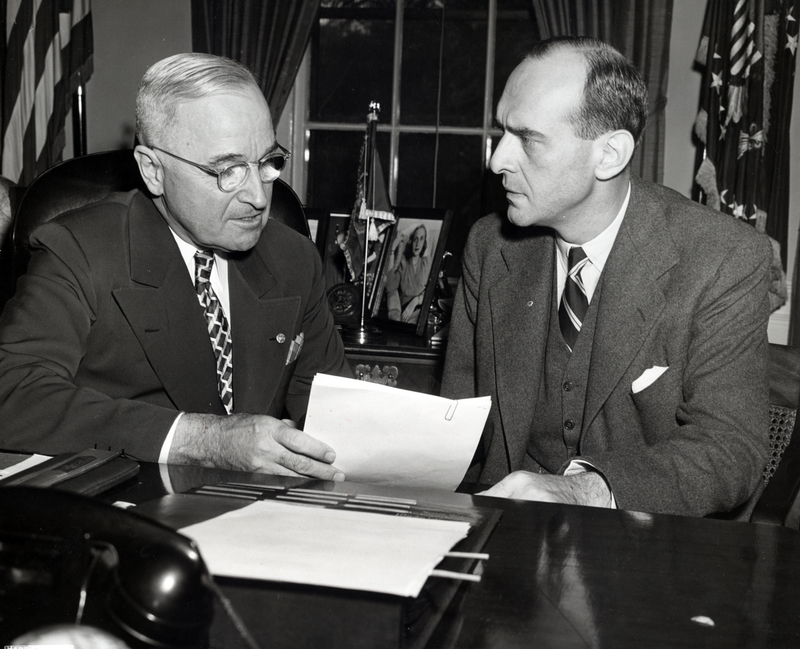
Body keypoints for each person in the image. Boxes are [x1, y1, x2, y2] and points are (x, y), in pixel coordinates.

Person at [441, 36, 772, 518]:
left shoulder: (724, 258)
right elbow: (457, 425)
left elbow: (730, 449)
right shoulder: (489, 246)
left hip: (640, 555)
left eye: (527, 139)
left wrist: (584, 491)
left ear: (610, 154)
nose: (497, 161)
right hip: (499, 542)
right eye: (501, 133)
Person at [0, 53, 350, 480]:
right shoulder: (80, 250)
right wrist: (203, 440)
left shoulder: (293, 257)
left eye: (267, 162)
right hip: (132, 516)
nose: (259, 197)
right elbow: (12, 395)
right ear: (152, 170)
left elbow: (337, 412)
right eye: (228, 170)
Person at [384, 223, 431, 323]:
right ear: (411, 242)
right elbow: (390, 286)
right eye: (415, 239)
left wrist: (416, 301)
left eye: (421, 239)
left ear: (424, 243)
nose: (418, 243)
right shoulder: (404, 264)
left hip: (421, 309)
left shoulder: (427, 263)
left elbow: (431, 292)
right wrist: (392, 249)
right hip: (404, 314)